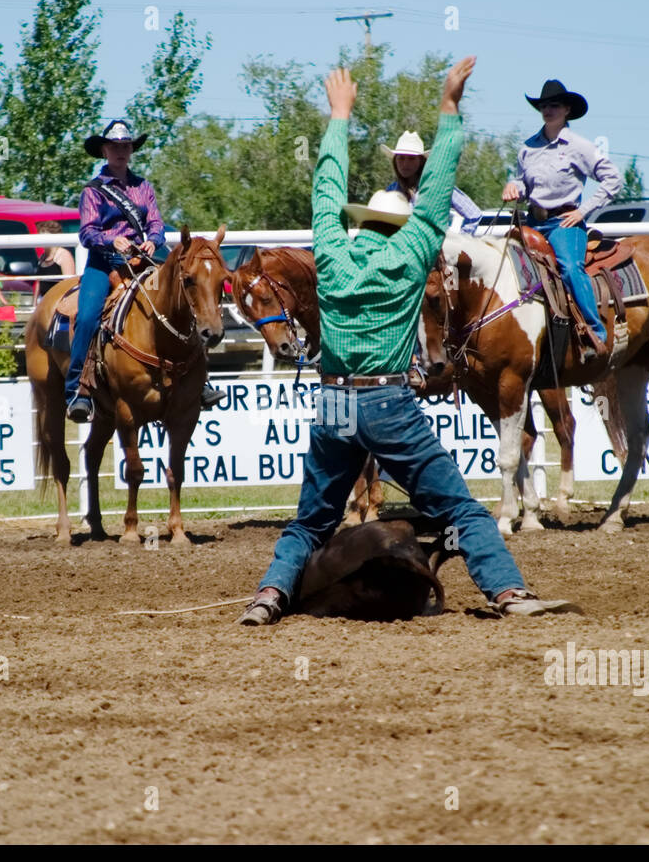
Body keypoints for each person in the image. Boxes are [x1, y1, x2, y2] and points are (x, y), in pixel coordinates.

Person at [238, 57, 578, 627]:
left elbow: (325, 185)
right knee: (461, 511)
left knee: (310, 522)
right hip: (389, 403)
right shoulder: (413, 249)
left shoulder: (332, 251)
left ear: (357, 224)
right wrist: (449, 108)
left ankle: (269, 595)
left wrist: (339, 118)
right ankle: (508, 594)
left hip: (334, 404)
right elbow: (439, 181)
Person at [66, 119, 226, 422]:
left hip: (143, 262)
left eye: (126, 146)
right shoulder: (93, 191)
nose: (121, 151)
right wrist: (114, 241)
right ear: (104, 150)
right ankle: (78, 391)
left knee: (182, 303)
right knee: (87, 316)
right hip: (104, 264)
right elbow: (87, 233)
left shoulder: (143, 187)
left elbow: (155, 223)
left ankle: (200, 381)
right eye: (115, 146)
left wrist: (153, 241)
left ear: (131, 149)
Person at [502, 79, 624, 363]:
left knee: (570, 268)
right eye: (544, 105)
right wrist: (514, 187)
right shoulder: (528, 147)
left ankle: (595, 333)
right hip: (533, 221)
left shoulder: (579, 146)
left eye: (554, 105)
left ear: (567, 109)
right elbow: (523, 183)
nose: (548, 110)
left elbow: (613, 179)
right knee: (508, 268)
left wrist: (584, 212)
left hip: (563, 223)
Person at [383, 130, 483, 235]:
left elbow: (474, 214)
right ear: (395, 160)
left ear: (421, 161)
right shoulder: (391, 190)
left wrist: (459, 242)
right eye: (401, 158)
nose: (405, 164)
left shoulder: (438, 187)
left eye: (411, 159)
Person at [33, 219, 75, 302]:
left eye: (42, 236)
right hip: (43, 301)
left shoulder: (64, 255)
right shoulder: (42, 257)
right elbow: (39, 283)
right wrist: (34, 304)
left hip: (57, 301)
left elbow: (69, 284)